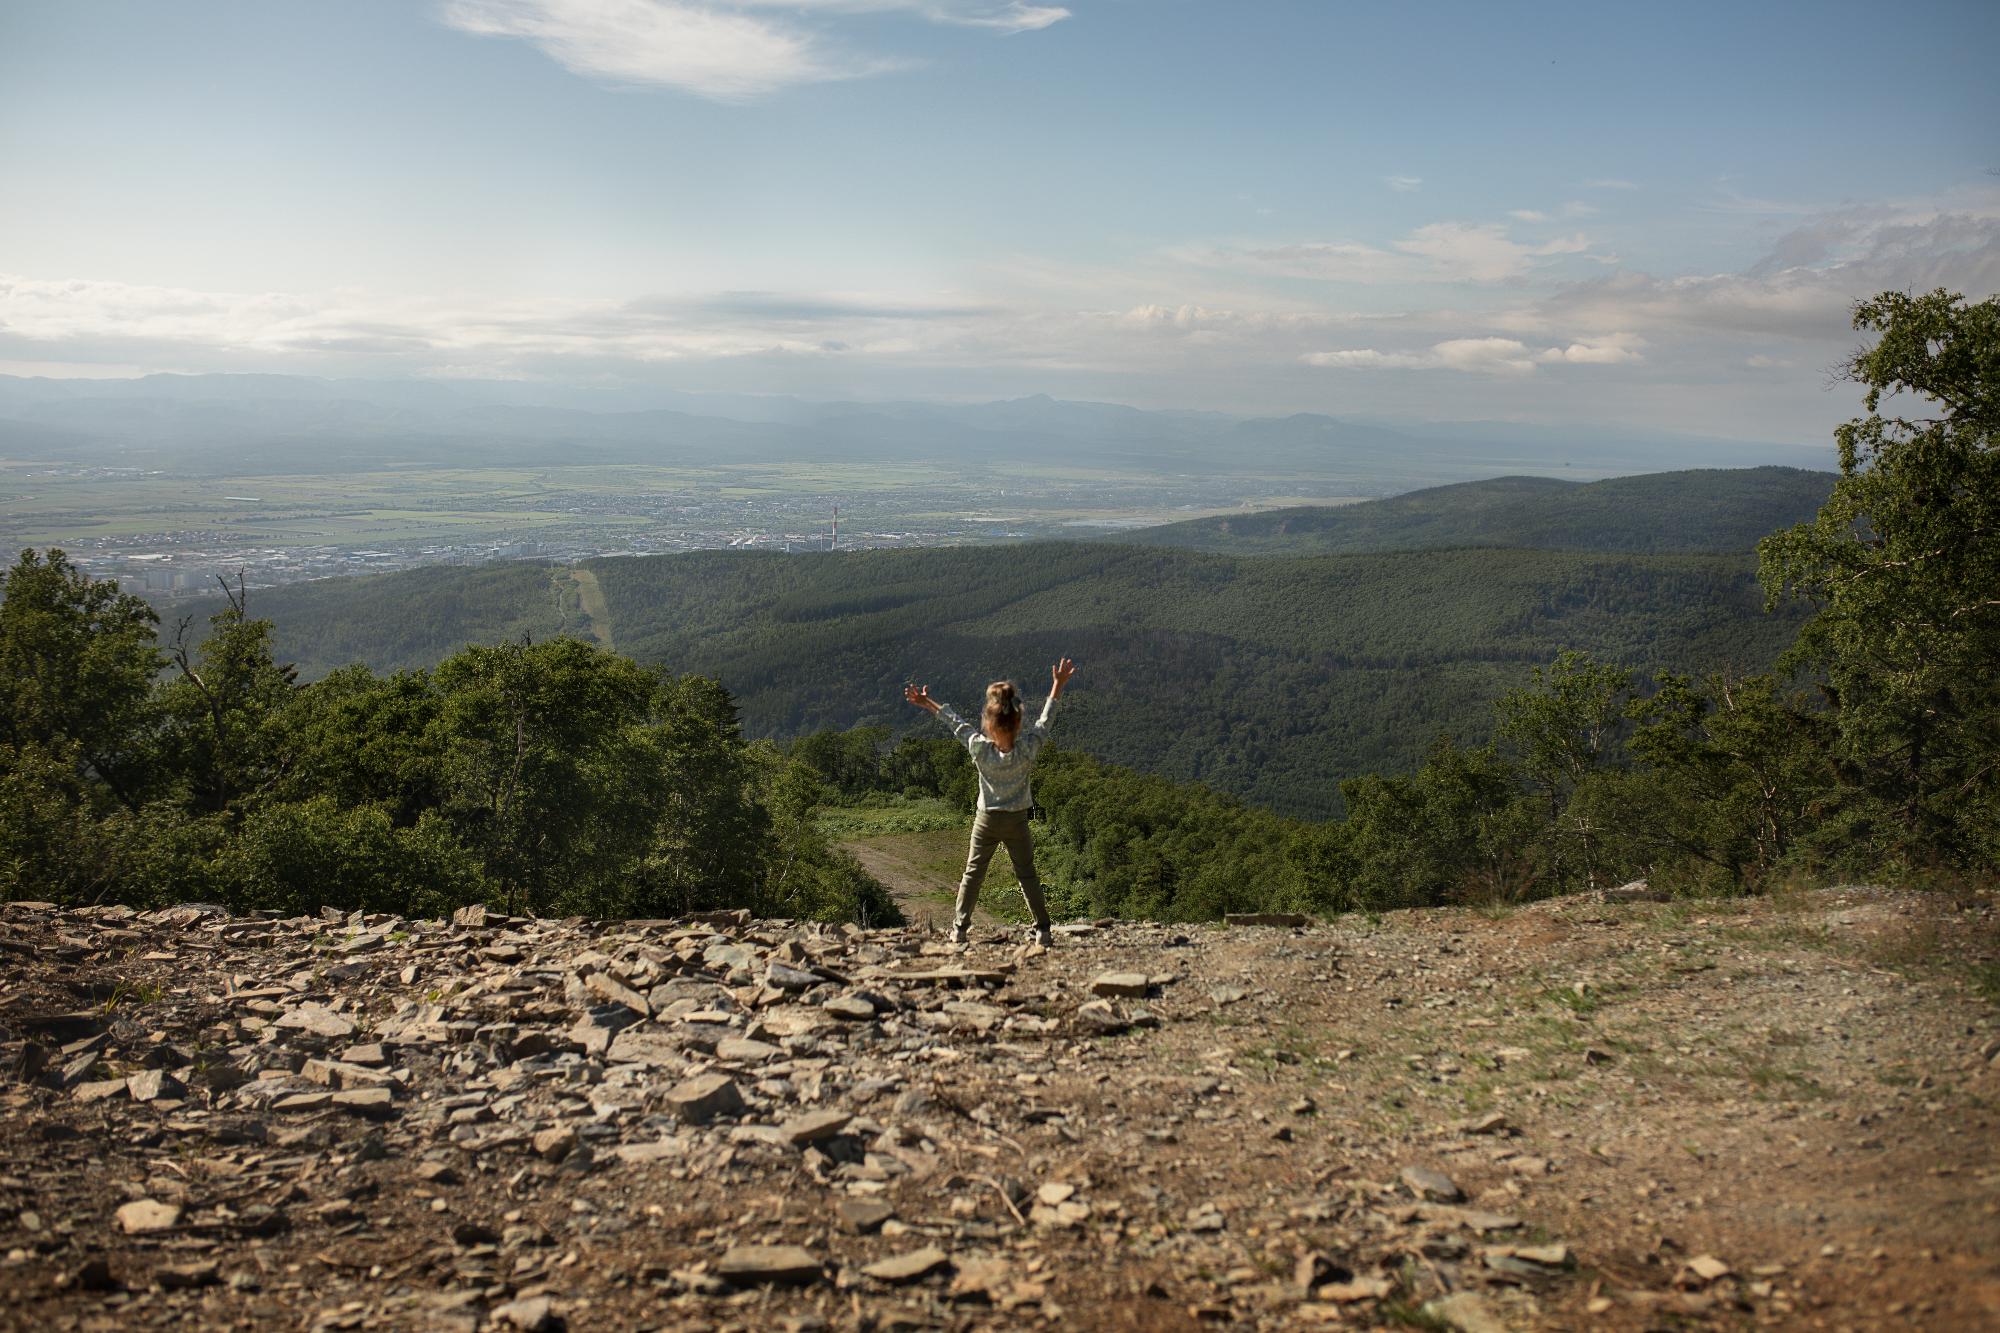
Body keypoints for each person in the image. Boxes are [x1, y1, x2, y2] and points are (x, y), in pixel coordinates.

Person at [904, 657, 1076, 948]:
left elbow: (955, 723)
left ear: (987, 722)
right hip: (1017, 820)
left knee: (973, 874)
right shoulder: (1028, 749)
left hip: (986, 821)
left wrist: (927, 702)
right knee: (1027, 874)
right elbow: (1046, 721)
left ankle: (959, 929)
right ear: (1018, 721)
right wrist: (1057, 685)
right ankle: (1043, 931)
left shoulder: (979, 749)